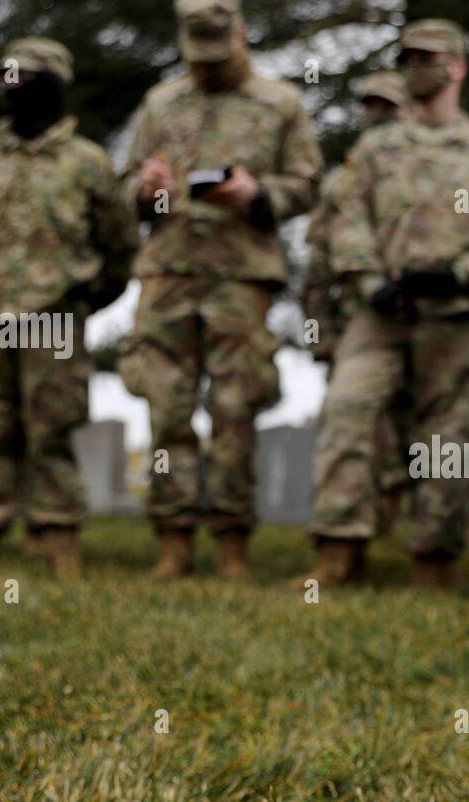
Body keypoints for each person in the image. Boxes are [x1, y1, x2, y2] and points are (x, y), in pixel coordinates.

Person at [300, 18, 469, 590]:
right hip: (379, 318)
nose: (411, 66)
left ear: (455, 67)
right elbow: (346, 219)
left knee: (451, 444)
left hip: (459, 320)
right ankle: (338, 556)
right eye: (404, 57)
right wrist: (369, 278)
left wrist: (459, 272)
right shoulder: (375, 150)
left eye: (424, 57)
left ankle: (434, 564)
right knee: (348, 415)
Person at [120, 0, 322, 579]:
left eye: (219, 53)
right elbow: (129, 191)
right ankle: (173, 539)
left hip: (241, 276)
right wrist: (147, 188)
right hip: (169, 272)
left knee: (235, 409)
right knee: (167, 407)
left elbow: (308, 184)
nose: (208, 67)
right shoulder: (160, 104)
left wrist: (258, 196)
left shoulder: (281, 103)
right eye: (198, 57)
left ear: (242, 34)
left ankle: (233, 542)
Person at [0, 37, 138, 576]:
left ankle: (56, 534)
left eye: (27, 78)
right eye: (7, 79)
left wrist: (82, 298)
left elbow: (119, 244)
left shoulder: (86, 163)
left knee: (51, 427)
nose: (14, 89)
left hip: (55, 315)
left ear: (56, 84)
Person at [303, 71, 410, 530]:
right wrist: (319, 333)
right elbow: (317, 269)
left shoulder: (434, 172)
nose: (377, 115)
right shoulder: (341, 184)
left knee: (432, 429)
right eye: (370, 106)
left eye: (388, 106)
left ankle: (425, 530)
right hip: (363, 320)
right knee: (355, 422)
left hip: (435, 317)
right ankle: (353, 533)